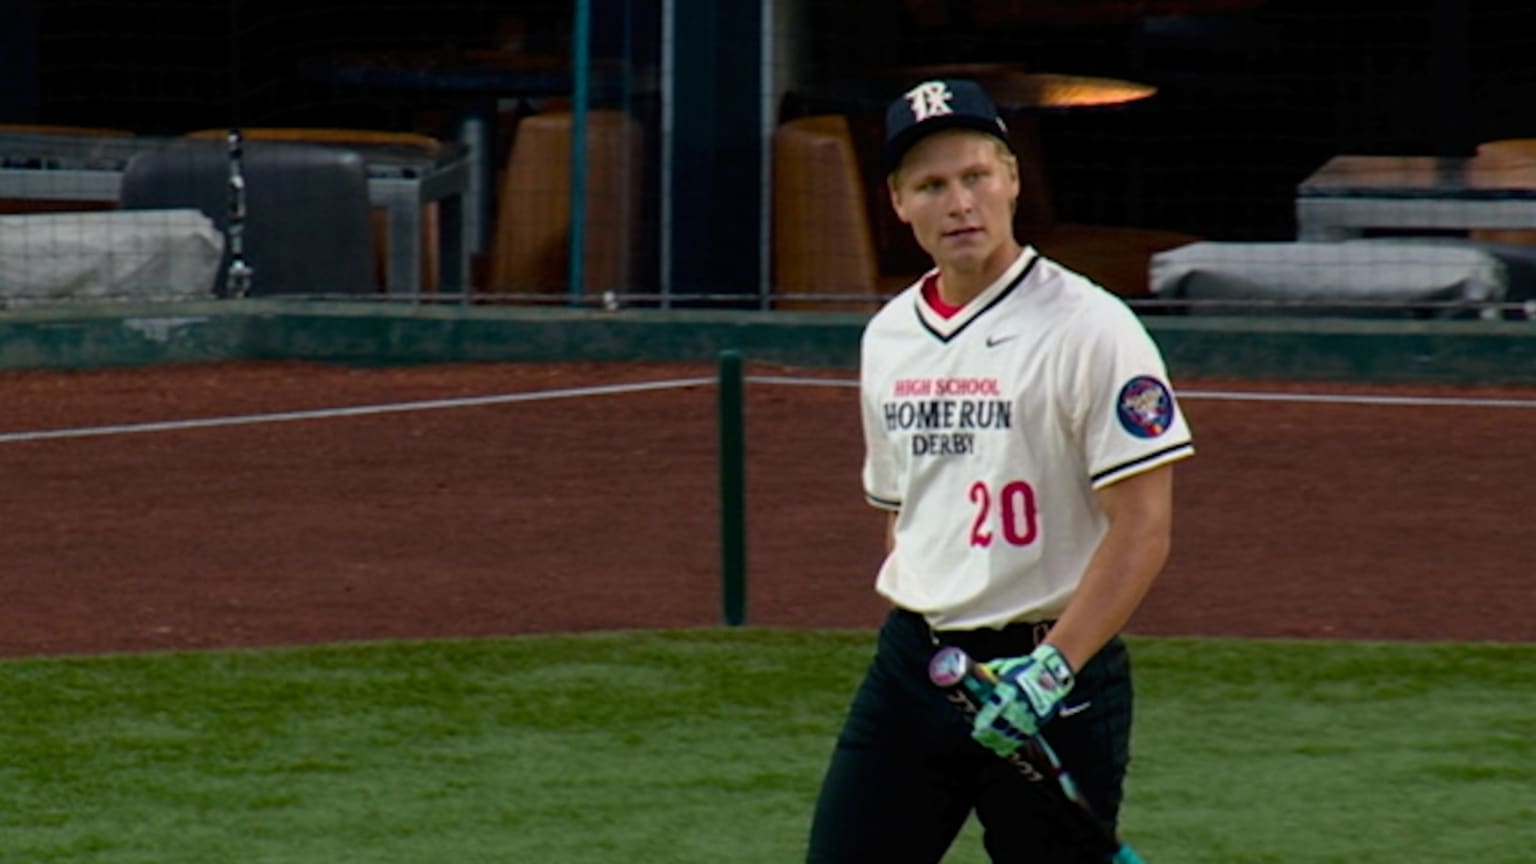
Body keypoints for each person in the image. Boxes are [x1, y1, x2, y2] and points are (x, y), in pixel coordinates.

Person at [805, 78, 1195, 863]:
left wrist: (1052, 668)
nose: (959, 203)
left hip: (1057, 677)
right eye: (932, 185)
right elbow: (904, 511)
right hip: (922, 671)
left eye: (976, 176)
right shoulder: (888, 338)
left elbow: (1145, 523)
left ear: (1012, 179)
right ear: (898, 203)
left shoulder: (1091, 328)